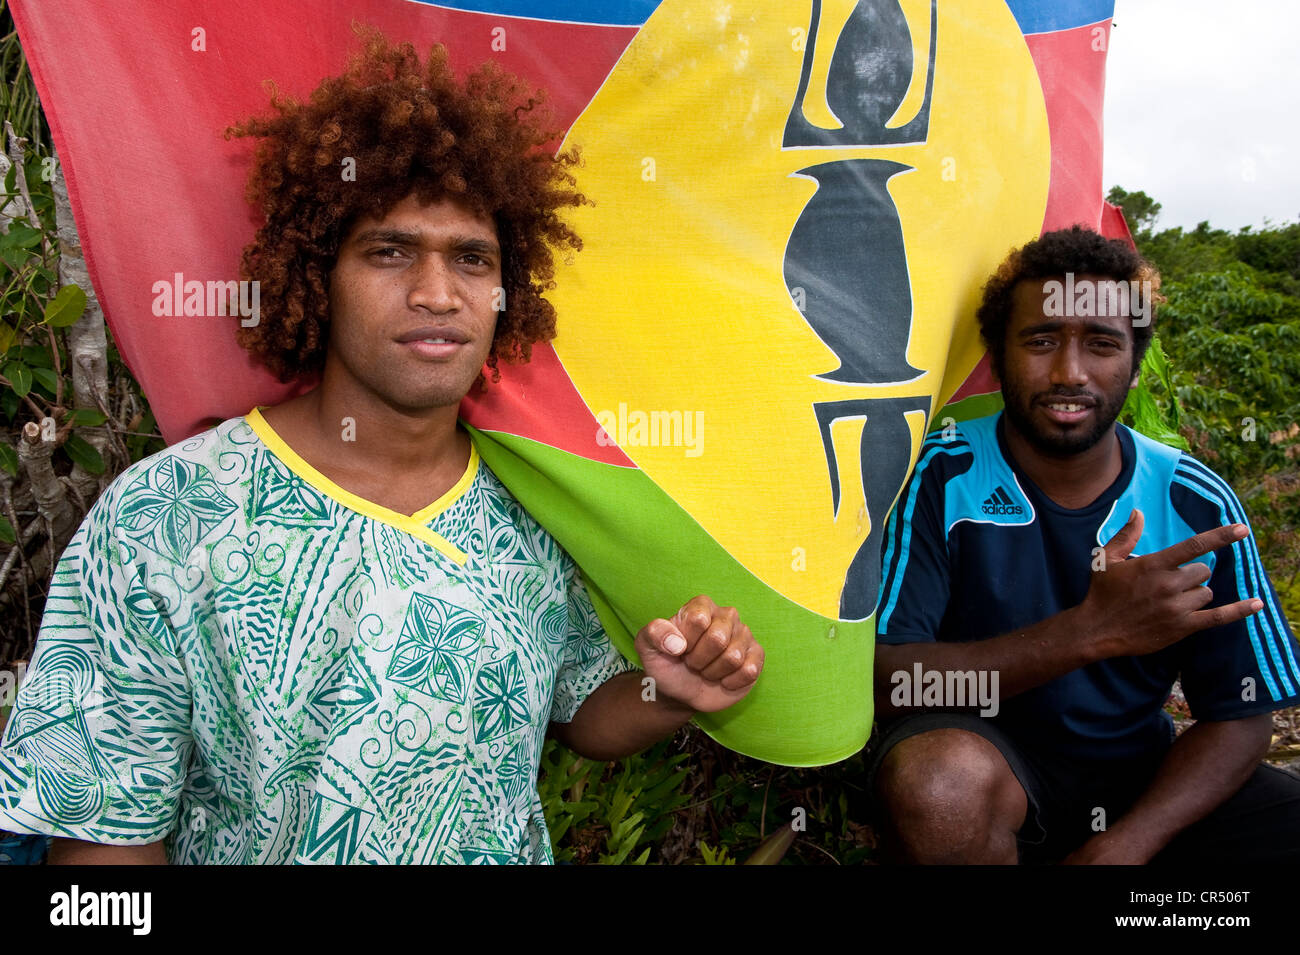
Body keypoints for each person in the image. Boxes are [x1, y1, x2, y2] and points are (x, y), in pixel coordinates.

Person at [0, 32, 763, 865]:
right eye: (390, 251)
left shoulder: (540, 496)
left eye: (472, 259)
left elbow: (580, 713)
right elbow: (108, 843)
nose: (437, 294)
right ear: (315, 275)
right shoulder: (167, 515)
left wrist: (669, 691)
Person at [868, 225, 1300, 864]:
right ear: (999, 353)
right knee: (940, 785)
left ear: (1132, 358)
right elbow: (892, 683)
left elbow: (1241, 713)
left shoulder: (1194, 502)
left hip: (1139, 777)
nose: (1069, 373)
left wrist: (1127, 844)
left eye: (1101, 344)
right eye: (1041, 341)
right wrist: (1089, 632)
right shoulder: (938, 476)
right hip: (984, 767)